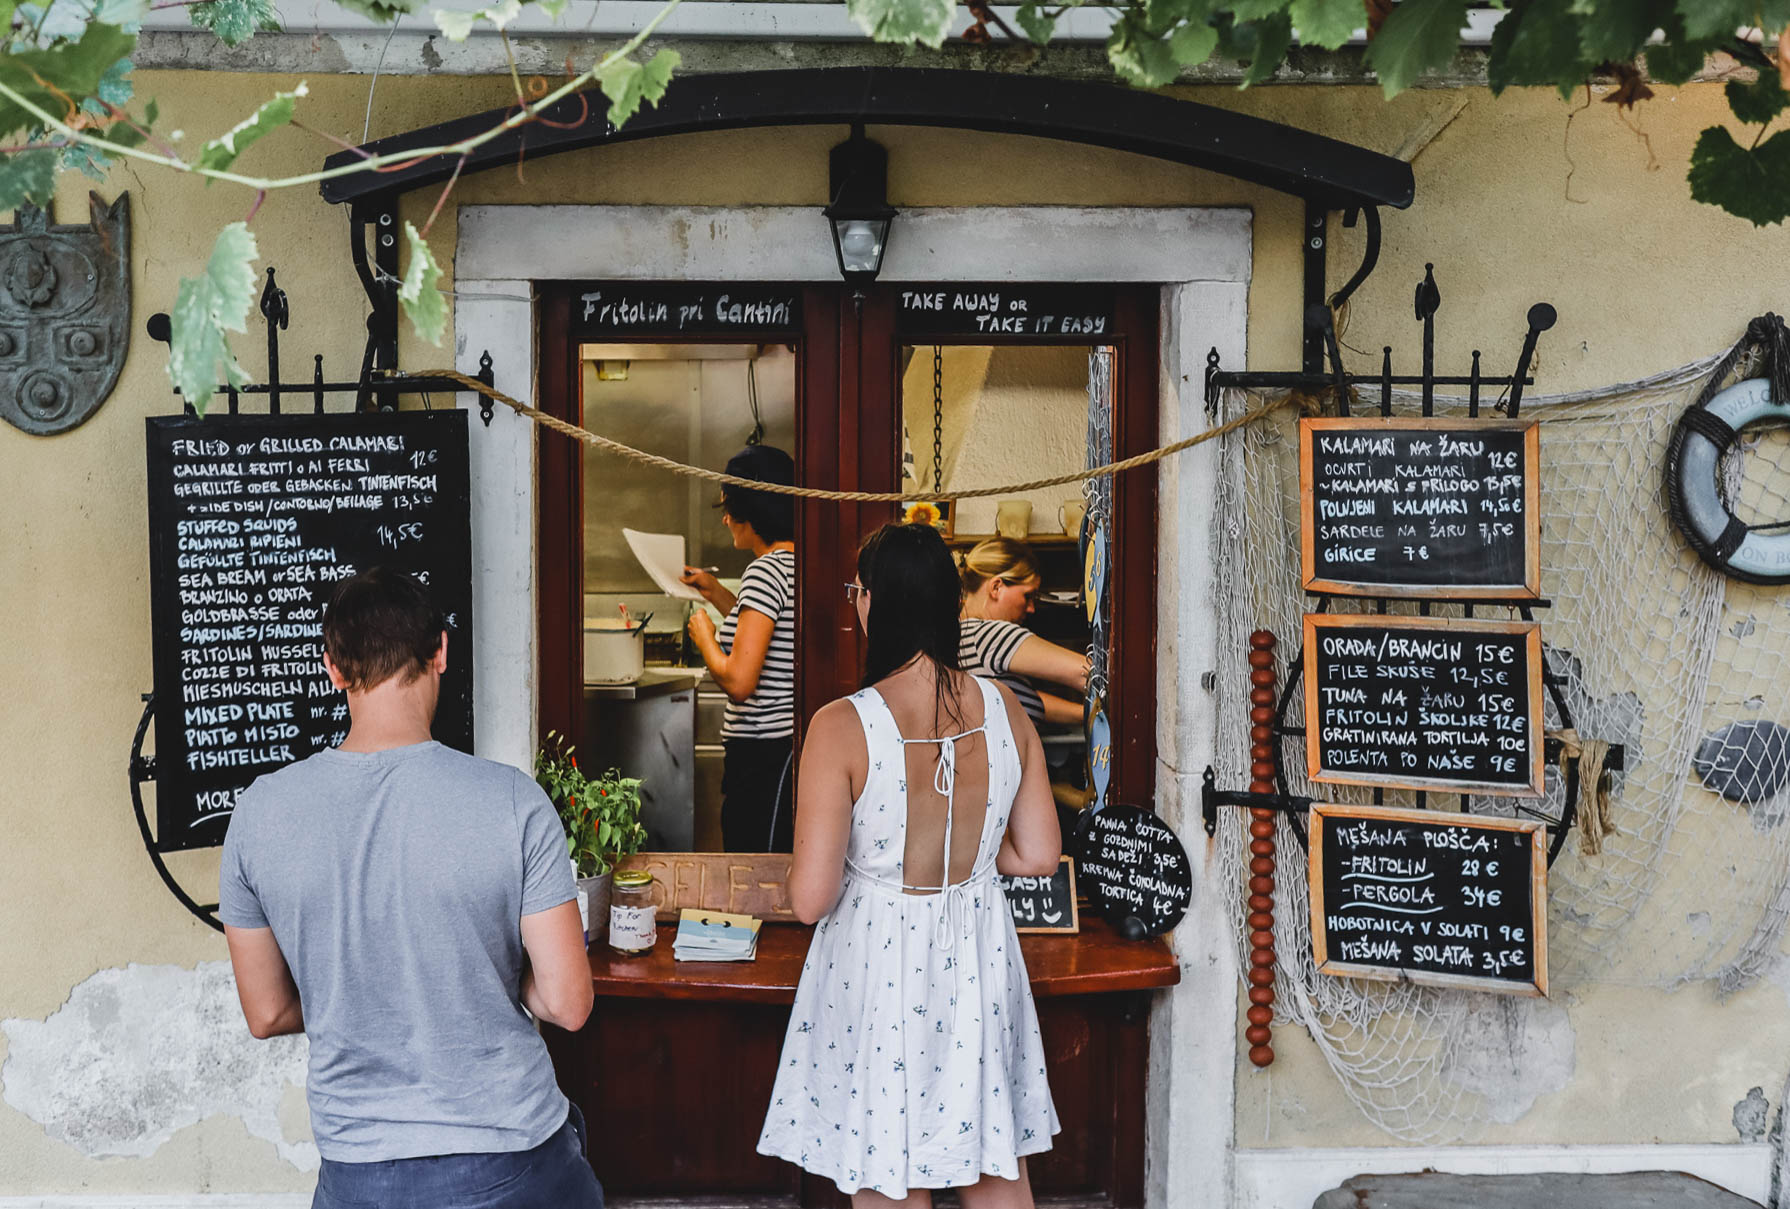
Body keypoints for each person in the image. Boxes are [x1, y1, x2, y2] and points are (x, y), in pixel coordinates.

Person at [218, 567, 603, 1209]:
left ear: (333, 668)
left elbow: (267, 1012)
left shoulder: (259, 814)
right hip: (512, 1159)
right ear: (441, 652)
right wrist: (481, 980)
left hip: (358, 1170)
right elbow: (568, 1003)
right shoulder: (511, 801)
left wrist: (371, 996)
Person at [758, 522, 1062, 1207]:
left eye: (856, 590)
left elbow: (811, 896)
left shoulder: (841, 723)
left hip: (880, 962)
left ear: (877, 602)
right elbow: (1041, 851)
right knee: (993, 1158)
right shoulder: (1003, 705)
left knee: (886, 1165)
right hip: (979, 949)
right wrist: (982, 858)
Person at [683, 444, 799, 852]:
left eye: (730, 509)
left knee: (752, 864)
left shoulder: (765, 570)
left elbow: (739, 679)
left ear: (756, 511)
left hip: (761, 755)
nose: (727, 519)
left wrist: (706, 639)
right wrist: (714, 592)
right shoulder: (795, 565)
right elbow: (760, 633)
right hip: (781, 752)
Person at [955, 538, 1089, 727]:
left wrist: (1087, 715)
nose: (1031, 608)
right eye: (1027, 596)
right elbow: (1086, 673)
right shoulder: (991, 635)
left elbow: (1023, 700)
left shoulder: (963, 635)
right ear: (996, 587)